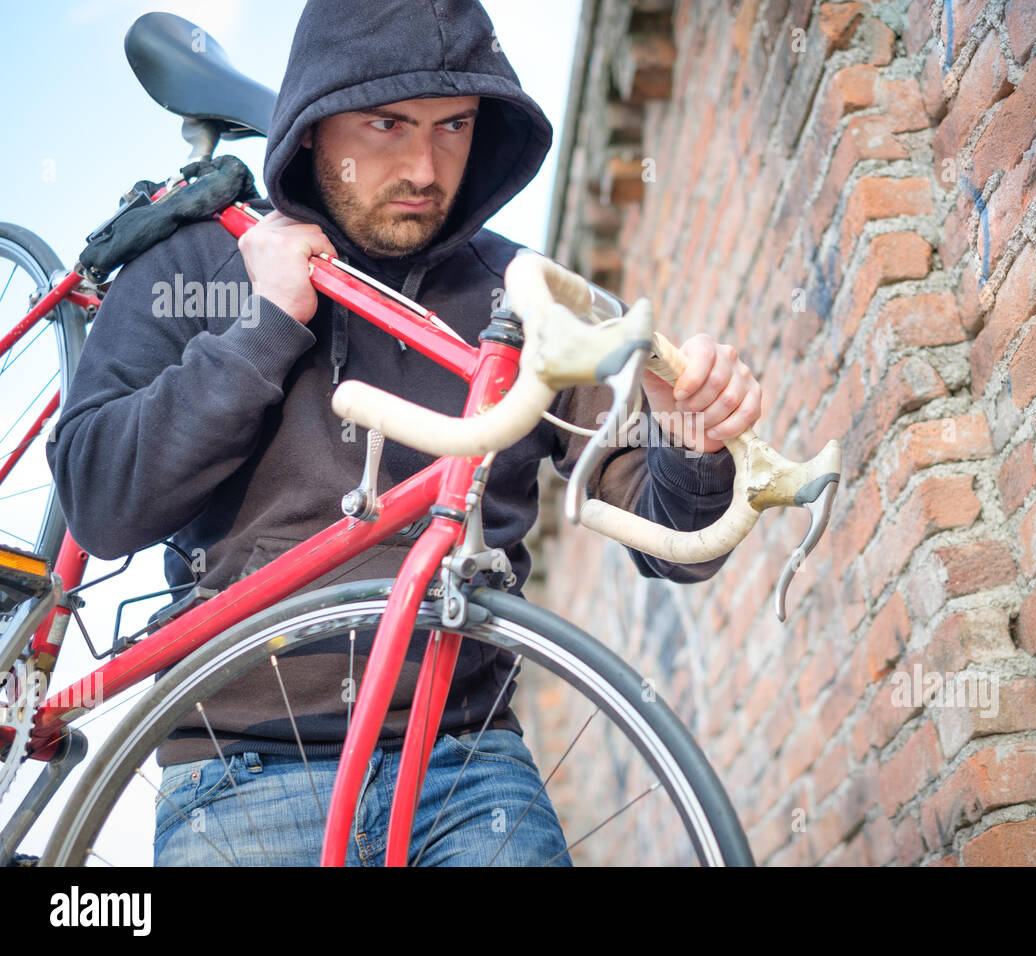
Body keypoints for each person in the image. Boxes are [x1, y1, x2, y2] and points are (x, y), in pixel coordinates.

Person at [47, 0, 761, 866]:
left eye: (454, 124)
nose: (426, 165)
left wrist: (693, 440)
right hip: (240, 769)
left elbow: (671, 543)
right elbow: (100, 503)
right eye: (386, 124)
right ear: (312, 126)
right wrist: (263, 327)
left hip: (468, 766)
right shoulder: (201, 263)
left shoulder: (519, 294)